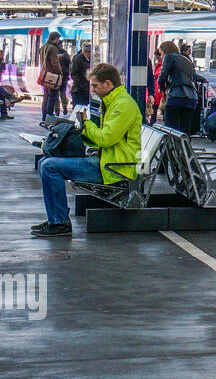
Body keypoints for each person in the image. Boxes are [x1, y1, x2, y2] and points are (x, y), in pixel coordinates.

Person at [32, 62, 142, 238]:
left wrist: (85, 125)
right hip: (106, 161)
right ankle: (57, 218)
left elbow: (106, 139)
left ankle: (59, 222)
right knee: (46, 161)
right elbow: (104, 139)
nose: (93, 90)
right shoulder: (113, 102)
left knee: (49, 166)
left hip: (115, 168)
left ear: (108, 83)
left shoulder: (123, 105)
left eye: (95, 86)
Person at [157, 40, 202, 134]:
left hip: (177, 95)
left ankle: (173, 148)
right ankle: (185, 147)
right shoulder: (187, 59)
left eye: (161, 53)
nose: (161, 56)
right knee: (185, 128)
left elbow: (162, 76)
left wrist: (162, 89)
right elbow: (193, 77)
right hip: (192, 97)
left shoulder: (169, 57)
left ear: (164, 51)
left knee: (171, 127)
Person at [37, 33, 65, 120]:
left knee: (46, 96)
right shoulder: (53, 48)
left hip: (44, 74)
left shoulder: (43, 47)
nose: (58, 41)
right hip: (52, 76)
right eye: (57, 39)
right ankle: (49, 116)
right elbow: (54, 63)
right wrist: (60, 73)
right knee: (53, 97)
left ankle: (44, 117)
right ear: (55, 38)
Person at [69, 41, 92, 118]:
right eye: (90, 52)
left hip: (87, 90)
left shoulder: (91, 60)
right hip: (79, 90)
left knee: (85, 109)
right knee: (79, 109)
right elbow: (74, 74)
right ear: (86, 52)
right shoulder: (78, 60)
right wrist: (81, 84)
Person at [57, 41, 72, 116]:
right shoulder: (65, 53)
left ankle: (56, 110)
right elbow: (69, 63)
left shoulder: (53, 52)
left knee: (55, 92)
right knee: (62, 91)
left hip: (55, 75)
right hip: (64, 75)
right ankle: (64, 105)